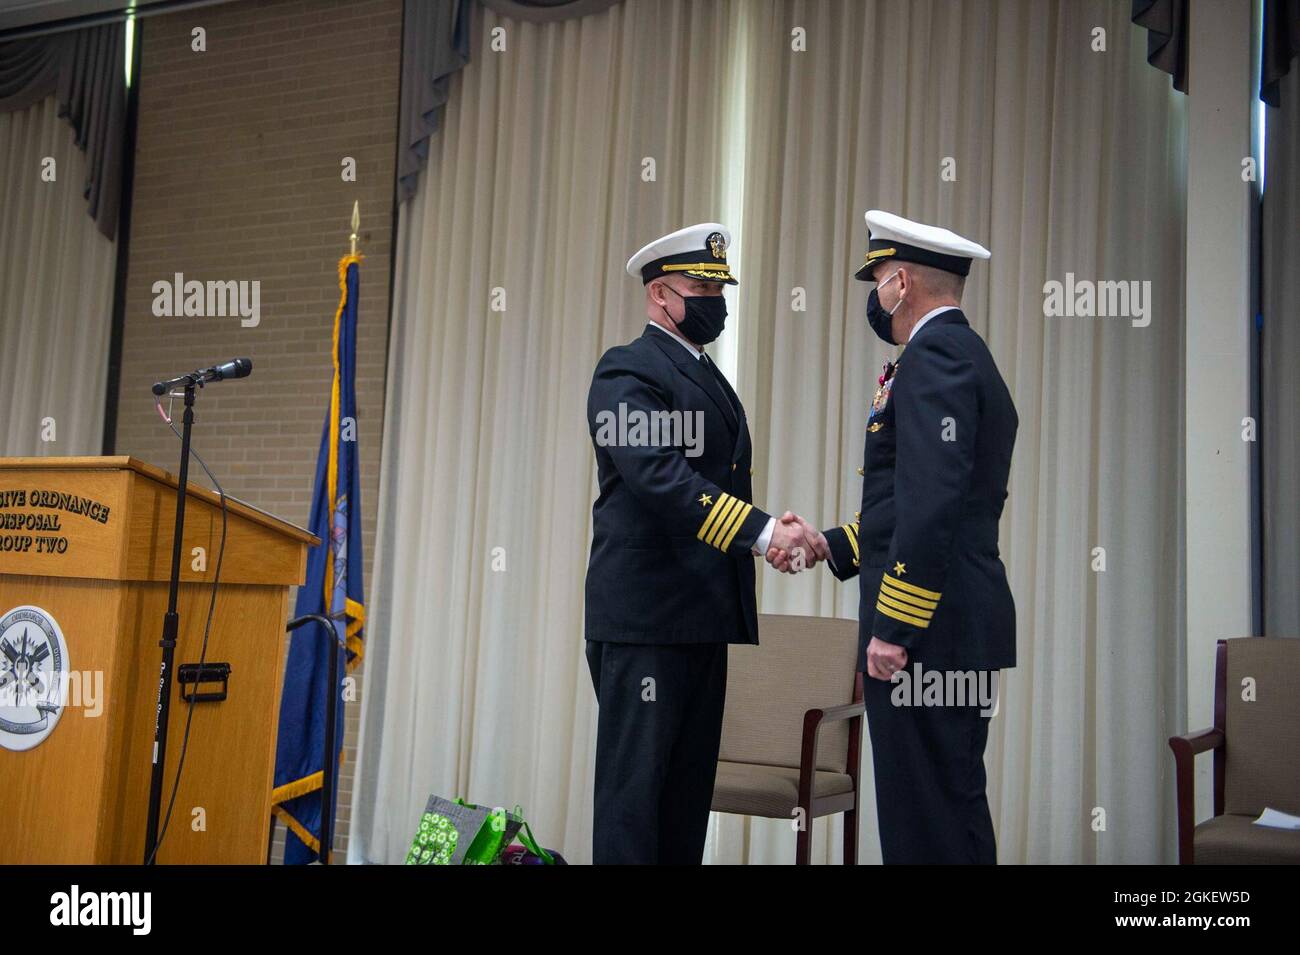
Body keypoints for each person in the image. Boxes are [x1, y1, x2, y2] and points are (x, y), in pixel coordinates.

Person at [773, 210, 1018, 863]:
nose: (875, 293)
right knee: (944, 805)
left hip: (927, 638)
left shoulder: (935, 355)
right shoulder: (962, 353)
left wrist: (894, 629)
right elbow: (917, 501)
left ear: (902, 282)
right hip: (951, 628)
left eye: (878, 278)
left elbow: (933, 502)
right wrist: (833, 542)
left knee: (927, 821)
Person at [584, 222, 818, 864]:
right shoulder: (626, 369)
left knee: (684, 801)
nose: (715, 299)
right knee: (635, 805)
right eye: (701, 286)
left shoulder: (704, 373)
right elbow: (659, 477)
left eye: (720, 287)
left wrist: (767, 534)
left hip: (699, 617)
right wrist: (765, 532)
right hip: (646, 621)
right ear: (660, 294)